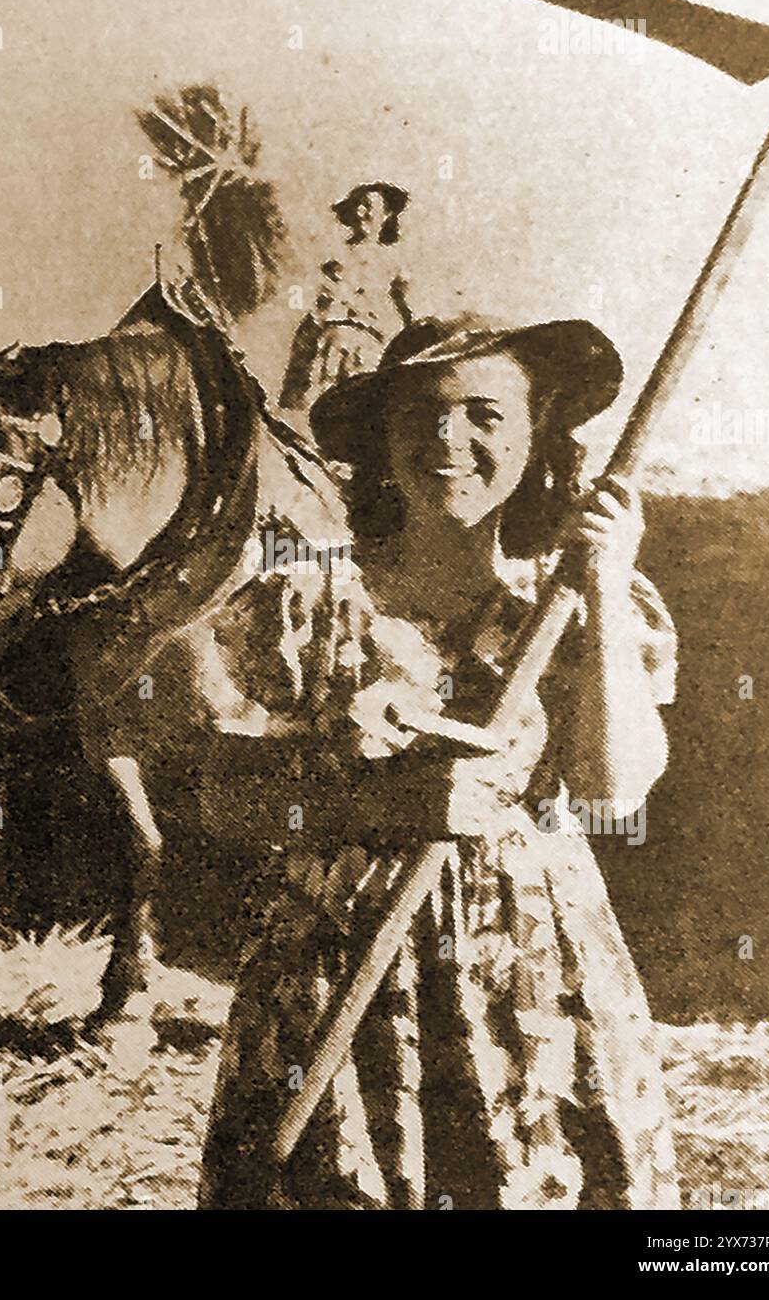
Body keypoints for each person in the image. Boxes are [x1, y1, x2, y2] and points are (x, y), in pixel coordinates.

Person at [191, 309, 680, 1210]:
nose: (449, 440)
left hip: (535, 985)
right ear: (381, 439)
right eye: (420, 415)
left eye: (485, 414)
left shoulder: (575, 603)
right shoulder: (308, 595)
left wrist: (605, 588)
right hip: (335, 981)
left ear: (537, 439)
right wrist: (381, 807)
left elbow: (614, 789)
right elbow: (223, 798)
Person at [279, 182, 413, 413]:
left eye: (369, 206)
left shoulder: (393, 262)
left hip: (368, 344)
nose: (362, 212)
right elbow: (315, 297)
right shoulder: (334, 254)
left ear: (386, 214)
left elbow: (407, 308)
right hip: (329, 337)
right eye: (358, 206)